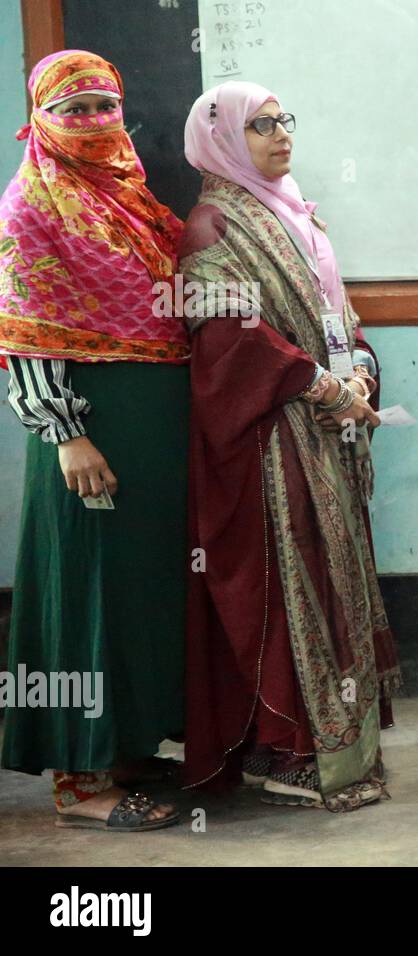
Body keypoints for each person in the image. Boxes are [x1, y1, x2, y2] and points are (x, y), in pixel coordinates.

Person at [179, 82, 401, 811]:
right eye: (260, 126)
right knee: (290, 587)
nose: (282, 136)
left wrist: (359, 364)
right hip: (271, 445)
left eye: (284, 121)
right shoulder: (211, 226)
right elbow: (228, 338)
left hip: (327, 431)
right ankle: (287, 752)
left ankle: (337, 747)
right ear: (220, 140)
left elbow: (339, 313)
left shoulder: (297, 215)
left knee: (334, 581)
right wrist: (317, 384)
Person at [0, 50, 188, 831]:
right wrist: (65, 434)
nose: (92, 122)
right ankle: (82, 780)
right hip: (88, 427)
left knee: (142, 588)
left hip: (155, 427)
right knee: (87, 591)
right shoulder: (31, 205)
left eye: (104, 105)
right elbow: (25, 331)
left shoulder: (131, 194)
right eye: (73, 108)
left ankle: (132, 745)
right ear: (40, 116)